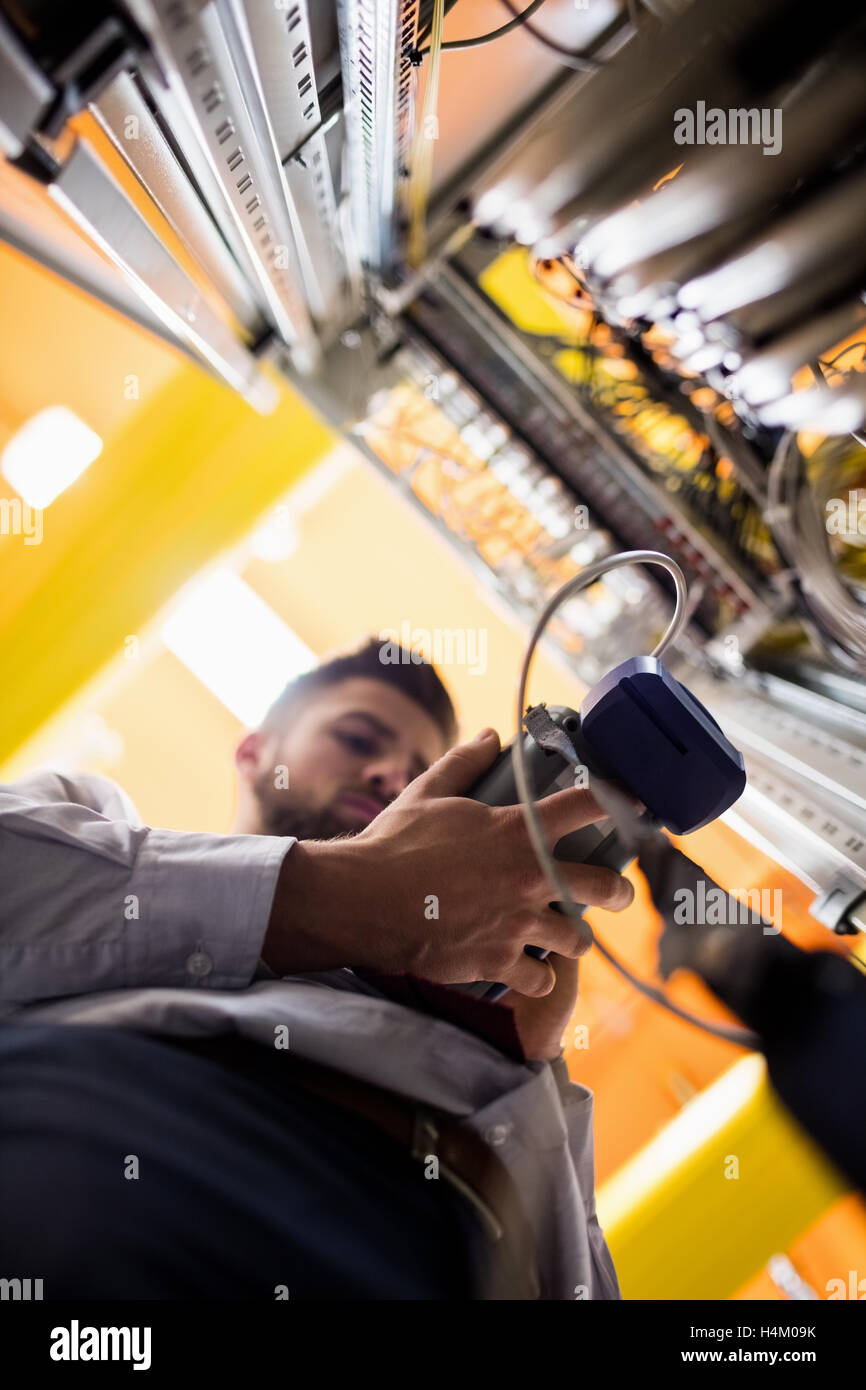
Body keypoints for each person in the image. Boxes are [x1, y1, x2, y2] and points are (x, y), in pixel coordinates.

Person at [0, 638, 633, 1299]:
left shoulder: (501, 1055)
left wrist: (532, 1072)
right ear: (255, 752)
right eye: (359, 741)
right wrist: (347, 891)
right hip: (109, 1189)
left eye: (416, 773)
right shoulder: (87, 822)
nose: (390, 774)